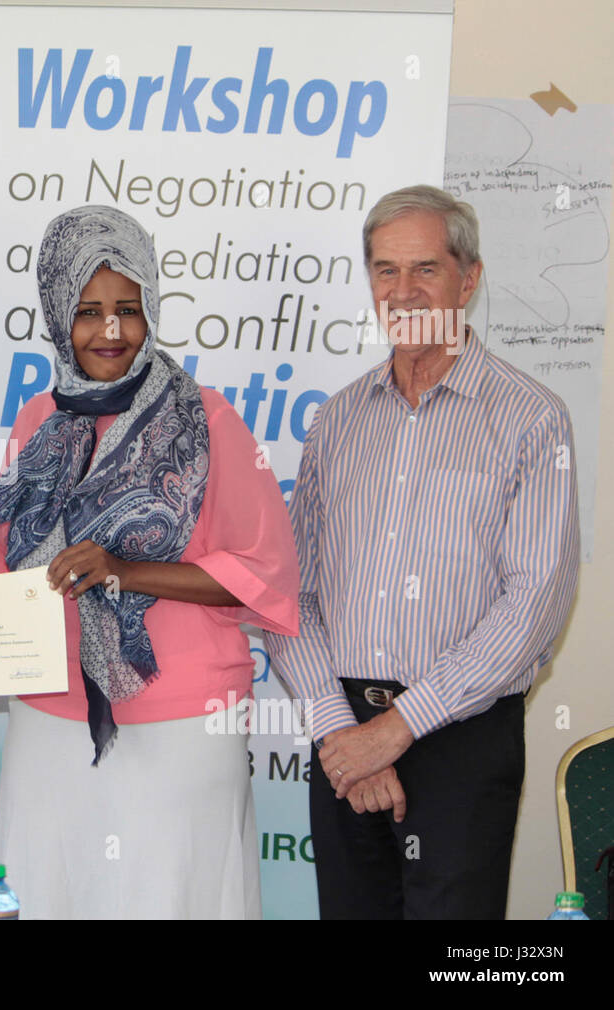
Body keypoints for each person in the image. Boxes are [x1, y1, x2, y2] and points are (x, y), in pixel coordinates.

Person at [0, 205, 298, 918]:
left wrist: (123, 567)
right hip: (48, 714)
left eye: (128, 309)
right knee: (49, 894)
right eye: (89, 310)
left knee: (164, 899)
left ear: (152, 307)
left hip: (181, 724)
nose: (111, 331)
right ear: (58, 313)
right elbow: (9, 554)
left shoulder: (206, 419)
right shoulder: (42, 419)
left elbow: (262, 570)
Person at [264, 185, 580, 919]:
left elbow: (534, 601)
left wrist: (397, 730)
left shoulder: (533, 419)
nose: (402, 292)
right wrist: (343, 730)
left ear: (468, 279)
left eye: (425, 270)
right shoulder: (338, 421)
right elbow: (291, 593)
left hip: (460, 739)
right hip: (342, 736)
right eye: (384, 271)